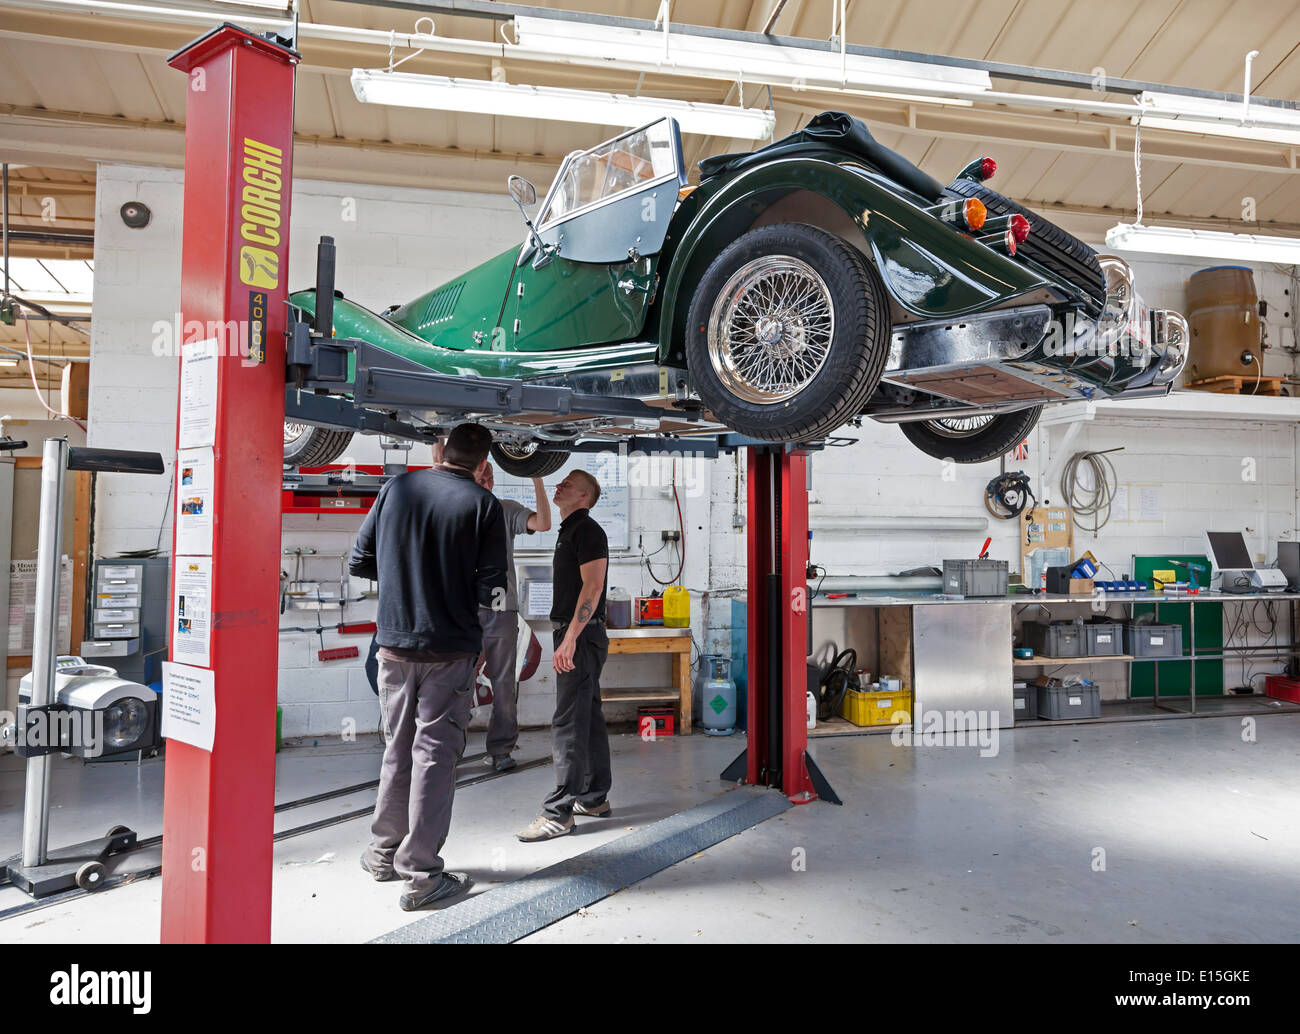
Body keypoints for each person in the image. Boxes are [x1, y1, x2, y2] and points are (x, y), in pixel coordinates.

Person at [350, 422, 507, 910]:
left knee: (397, 748)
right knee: (436, 756)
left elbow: (360, 561)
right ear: (483, 463)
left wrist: (405, 574)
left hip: (394, 647)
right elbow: (493, 590)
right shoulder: (484, 505)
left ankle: (382, 853)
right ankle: (420, 876)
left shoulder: (396, 487)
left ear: (440, 450)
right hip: (450, 651)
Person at [517, 470, 611, 842]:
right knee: (587, 715)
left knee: (568, 722)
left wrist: (570, 637)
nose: (560, 486)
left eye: (567, 484)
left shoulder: (588, 531)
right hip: (577, 633)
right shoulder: (569, 530)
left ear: (585, 496)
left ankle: (559, 813)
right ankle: (594, 798)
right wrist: (538, 477)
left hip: (580, 635)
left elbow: (593, 586)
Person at [474, 461, 551, 771]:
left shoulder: (505, 509)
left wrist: (537, 476)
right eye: (479, 471)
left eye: (490, 472)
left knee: (505, 682)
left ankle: (501, 750)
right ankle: (447, 751)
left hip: (500, 610)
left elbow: (543, 523)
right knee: (454, 682)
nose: (486, 476)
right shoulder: (451, 506)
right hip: (459, 611)